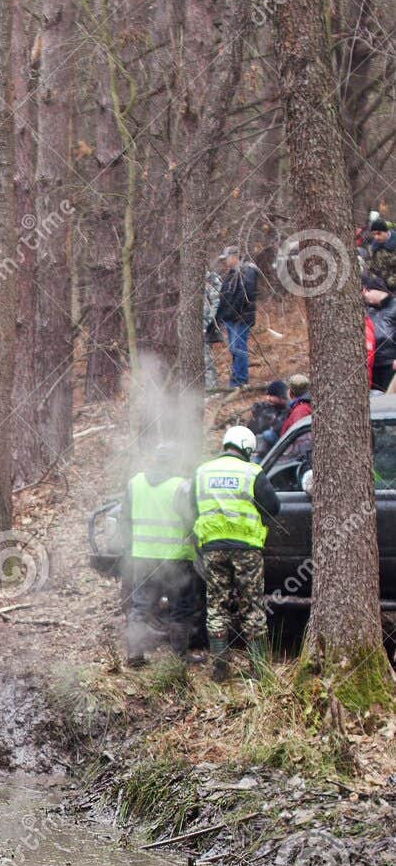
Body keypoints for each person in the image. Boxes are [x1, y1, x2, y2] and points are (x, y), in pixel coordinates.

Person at [192, 424, 281, 683]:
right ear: (246, 448)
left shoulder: (201, 472)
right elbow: (273, 507)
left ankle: (220, 670)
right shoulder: (252, 472)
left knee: (216, 607)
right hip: (246, 550)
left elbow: (187, 505)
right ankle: (259, 671)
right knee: (252, 606)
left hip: (212, 548)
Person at [121, 443, 198, 667]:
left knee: (140, 606)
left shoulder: (135, 483)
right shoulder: (182, 486)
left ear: (156, 459)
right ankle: (179, 658)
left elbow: (125, 520)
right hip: (176, 558)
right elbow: (191, 520)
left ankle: (134, 655)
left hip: (144, 556)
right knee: (180, 608)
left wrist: (131, 549)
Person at [215, 246, 258, 389]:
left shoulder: (247, 271)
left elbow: (247, 294)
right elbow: (224, 297)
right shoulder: (231, 274)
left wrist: (235, 312)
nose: (225, 261)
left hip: (241, 318)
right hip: (231, 319)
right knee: (234, 349)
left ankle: (240, 381)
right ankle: (236, 380)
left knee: (239, 349)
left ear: (234, 257)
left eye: (226, 258)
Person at [362, 273, 396, 391]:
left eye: (367, 290)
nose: (364, 295)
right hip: (372, 366)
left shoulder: (394, 306)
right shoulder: (368, 311)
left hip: (390, 365)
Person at [246, 379, 288, 452]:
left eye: (271, 395)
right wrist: (256, 417)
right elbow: (252, 429)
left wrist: (272, 420)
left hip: (280, 449)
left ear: (281, 397)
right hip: (262, 449)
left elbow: (280, 429)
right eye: (267, 395)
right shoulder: (266, 407)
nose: (268, 398)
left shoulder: (287, 409)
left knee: (267, 434)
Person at [365, 215, 396, 292]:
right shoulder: (372, 248)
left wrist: (390, 281)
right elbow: (369, 268)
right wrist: (375, 280)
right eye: (374, 234)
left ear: (386, 231)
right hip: (379, 289)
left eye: (379, 233)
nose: (376, 237)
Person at [203, 269, 222, 393]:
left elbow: (216, 304)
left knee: (206, 359)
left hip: (205, 326)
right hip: (194, 326)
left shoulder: (210, 280)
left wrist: (208, 323)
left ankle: (212, 389)